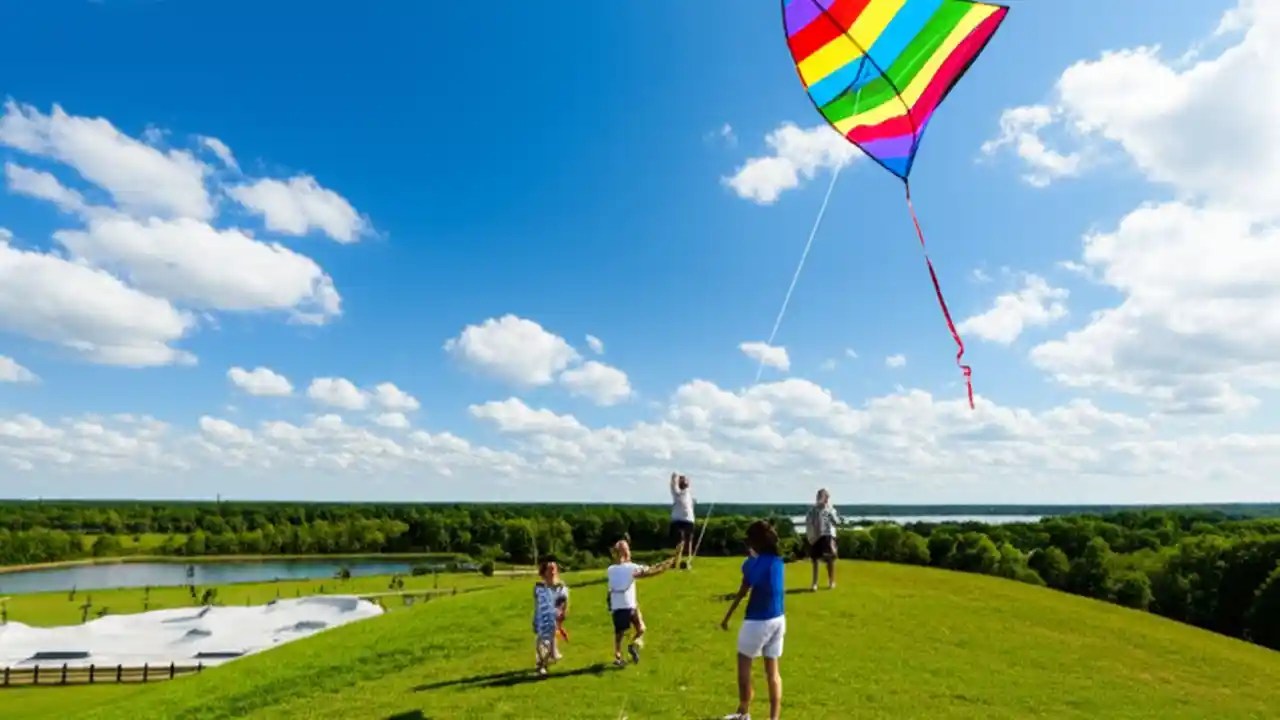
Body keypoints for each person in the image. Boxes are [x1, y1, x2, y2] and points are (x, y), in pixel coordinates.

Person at [720, 520, 786, 720]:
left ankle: (744, 712)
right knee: (773, 673)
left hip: (757, 621)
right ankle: (774, 718)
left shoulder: (751, 564)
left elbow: (742, 590)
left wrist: (727, 617)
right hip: (779, 619)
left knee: (744, 669)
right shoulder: (778, 561)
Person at [606, 539, 681, 667]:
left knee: (619, 634)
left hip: (617, 606)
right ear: (626, 552)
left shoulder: (610, 569)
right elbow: (652, 571)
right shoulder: (631, 567)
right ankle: (633, 645)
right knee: (640, 629)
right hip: (629, 605)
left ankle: (618, 656)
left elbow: (611, 589)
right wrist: (671, 561)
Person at [531, 558, 569, 676]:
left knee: (546, 641)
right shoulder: (539, 588)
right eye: (549, 569)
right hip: (541, 618)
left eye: (554, 569)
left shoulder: (561, 587)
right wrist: (535, 619)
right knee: (542, 641)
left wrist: (562, 617)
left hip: (553, 619)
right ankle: (544, 661)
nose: (552, 571)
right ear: (544, 572)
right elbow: (537, 604)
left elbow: (563, 604)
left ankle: (542, 665)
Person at [804, 488, 840, 591]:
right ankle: (814, 584)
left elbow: (835, 522)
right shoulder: (813, 510)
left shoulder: (830, 510)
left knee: (830, 560)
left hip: (828, 536)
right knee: (815, 560)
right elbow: (809, 521)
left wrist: (830, 515)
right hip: (816, 536)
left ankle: (831, 581)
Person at [669, 472, 695, 568]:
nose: (684, 481)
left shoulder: (688, 493)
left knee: (689, 541)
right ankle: (676, 560)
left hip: (689, 519)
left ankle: (687, 561)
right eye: (682, 480)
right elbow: (673, 484)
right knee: (679, 541)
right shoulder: (676, 492)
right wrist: (675, 476)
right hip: (678, 519)